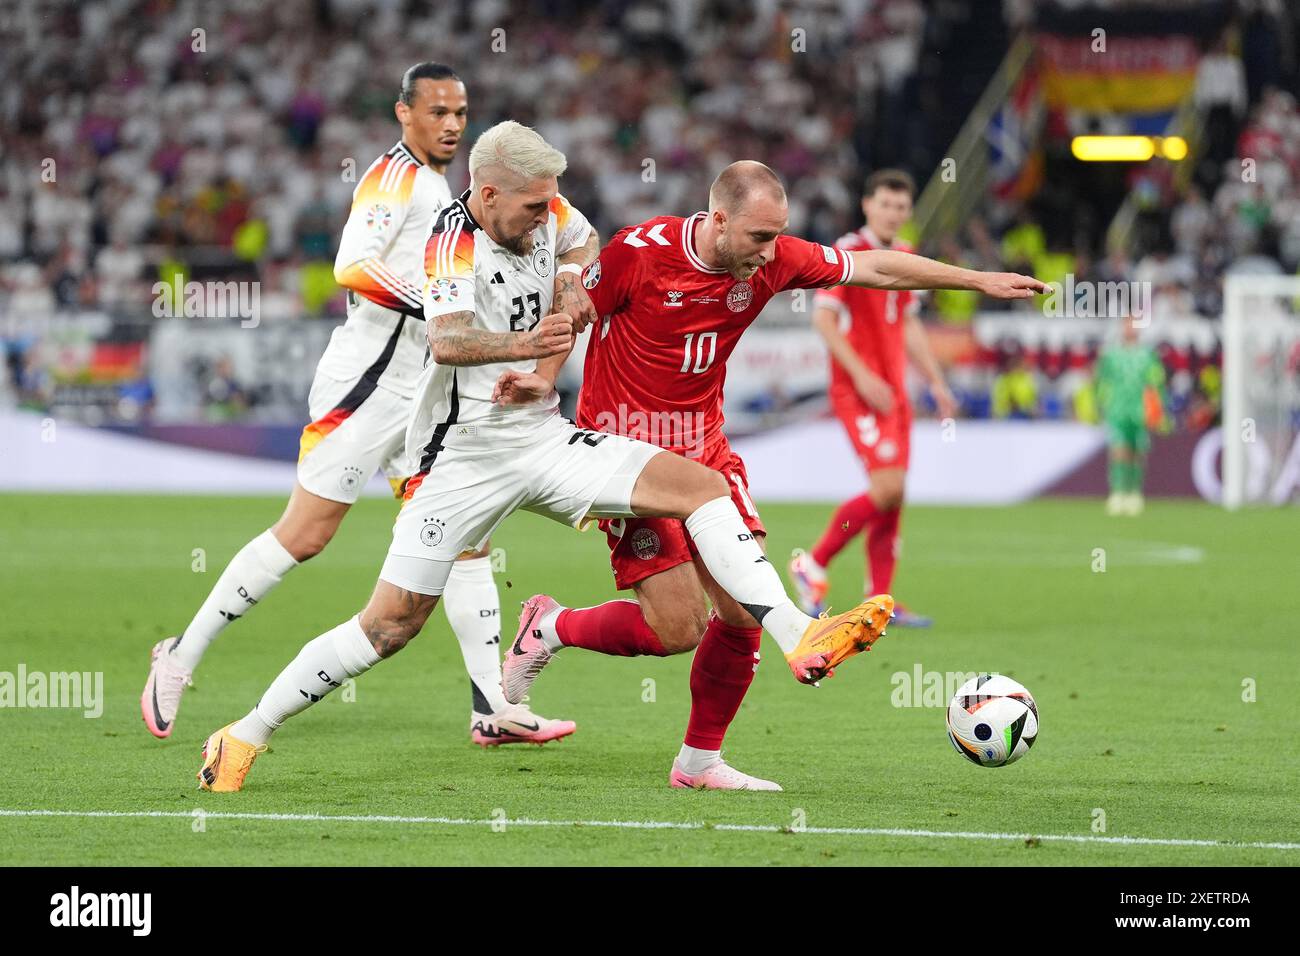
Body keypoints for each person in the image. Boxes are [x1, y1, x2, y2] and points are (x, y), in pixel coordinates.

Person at [194, 124, 892, 793]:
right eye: (533, 206)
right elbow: (450, 343)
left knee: (703, 487)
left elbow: (586, 247)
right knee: (390, 626)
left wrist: (567, 288)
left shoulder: (549, 207)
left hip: (545, 440)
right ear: (489, 194)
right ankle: (246, 732)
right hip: (462, 459)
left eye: (549, 202)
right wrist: (534, 342)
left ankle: (797, 632)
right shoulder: (450, 246)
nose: (545, 216)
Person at [493, 161, 1045, 790]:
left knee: (738, 615)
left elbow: (877, 268)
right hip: (625, 457)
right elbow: (574, 310)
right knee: (676, 629)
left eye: (777, 236)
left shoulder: (775, 256)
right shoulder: (638, 254)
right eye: (758, 237)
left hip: (704, 449)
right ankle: (551, 626)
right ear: (718, 220)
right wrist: (544, 375)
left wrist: (978, 280)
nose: (768, 253)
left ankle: (699, 763)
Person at [142, 64, 574, 748]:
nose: (452, 123)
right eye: (437, 111)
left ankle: (491, 706)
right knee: (307, 534)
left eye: (460, 111)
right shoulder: (394, 176)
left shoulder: (454, 191)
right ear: (405, 114)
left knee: (464, 539)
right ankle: (180, 655)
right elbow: (352, 265)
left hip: (427, 389)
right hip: (369, 384)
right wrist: (437, 298)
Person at [790, 170, 958, 629]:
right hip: (859, 391)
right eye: (885, 204)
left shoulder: (904, 257)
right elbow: (823, 320)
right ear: (867, 205)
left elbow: (908, 324)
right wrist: (862, 376)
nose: (893, 213)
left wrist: (937, 382)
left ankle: (880, 602)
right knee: (886, 488)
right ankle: (814, 562)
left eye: (901, 207)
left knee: (894, 496)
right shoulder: (848, 253)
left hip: (894, 393)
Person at [1097, 313, 1167, 516]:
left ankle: (1134, 494)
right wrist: (1101, 404)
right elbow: (1102, 381)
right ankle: (1117, 493)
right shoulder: (1111, 354)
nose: (1130, 328)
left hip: (1140, 409)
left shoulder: (1147, 355)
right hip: (1118, 409)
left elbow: (1156, 382)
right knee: (1119, 450)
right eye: (1127, 324)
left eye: (1134, 324)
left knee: (1137, 452)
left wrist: (1157, 409)